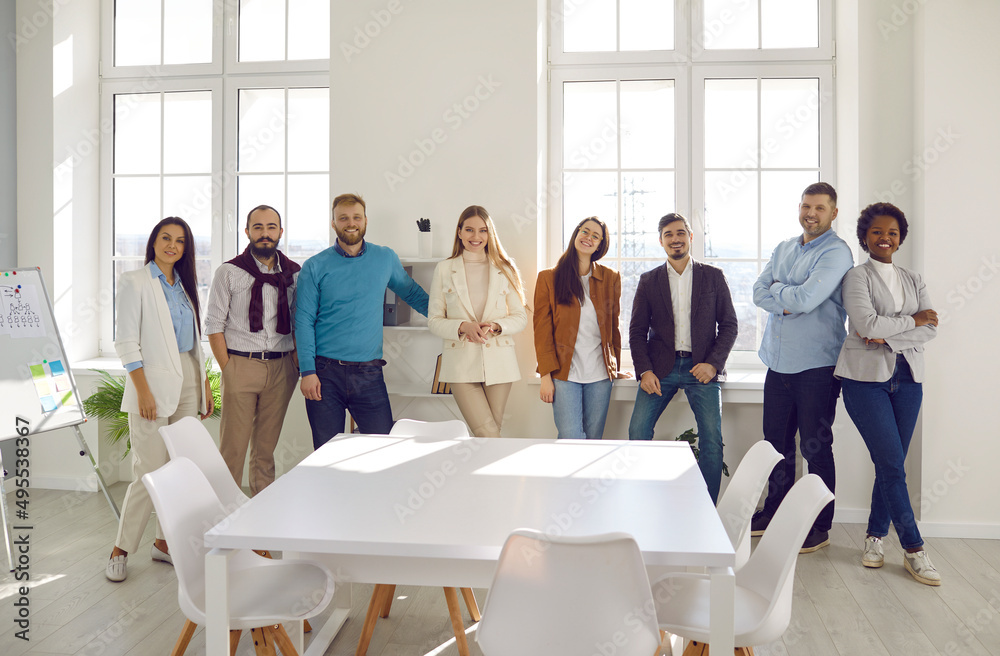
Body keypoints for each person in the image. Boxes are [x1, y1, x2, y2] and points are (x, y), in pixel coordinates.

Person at [835, 203, 940, 585]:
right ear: (865, 237)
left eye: (892, 233)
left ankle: (875, 538)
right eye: (877, 231)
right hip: (865, 381)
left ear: (900, 238)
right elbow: (866, 324)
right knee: (893, 465)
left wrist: (888, 335)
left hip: (909, 379)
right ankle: (914, 549)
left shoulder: (913, 279)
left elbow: (932, 327)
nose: (885, 238)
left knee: (890, 464)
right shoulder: (856, 277)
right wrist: (911, 321)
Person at [107, 217, 213, 582]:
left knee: (181, 470)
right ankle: (120, 549)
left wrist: (204, 382)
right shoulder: (135, 281)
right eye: (166, 238)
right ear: (153, 242)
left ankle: (163, 543)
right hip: (150, 386)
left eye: (180, 241)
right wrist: (143, 391)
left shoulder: (184, 285)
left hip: (188, 381)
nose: (172, 245)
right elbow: (126, 342)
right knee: (149, 472)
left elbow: (193, 342)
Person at [751, 182, 854, 552]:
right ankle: (773, 511)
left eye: (820, 208)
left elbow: (806, 300)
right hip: (777, 363)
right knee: (776, 446)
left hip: (817, 367)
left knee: (816, 448)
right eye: (806, 206)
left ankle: (819, 525)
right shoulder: (784, 248)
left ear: (833, 213)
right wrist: (786, 296)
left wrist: (779, 291)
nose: (811, 214)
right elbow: (757, 291)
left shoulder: (837, 252)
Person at [296, 193, 429, 448]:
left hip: (369, 373)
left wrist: (450, 319)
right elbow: (304, 321)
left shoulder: (385, 258)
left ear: (365, 220)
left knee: (380, 449)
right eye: (343, 218)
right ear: (333, 223)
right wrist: (308, 372)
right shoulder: (314, 266)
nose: (351, 223)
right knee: (326, 453)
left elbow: (412, 293)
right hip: (324, 374)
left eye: (356, 217)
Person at [627, 213, 738, 503]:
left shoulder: (713, 276)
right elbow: (637, 332)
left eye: (680, 233)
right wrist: (645, 371)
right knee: (638, 431)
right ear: (661, 241)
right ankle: (642, 501)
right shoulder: (649, 281)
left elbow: (729, 325)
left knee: (712, 439)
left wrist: (713, 364)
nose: (675, 239)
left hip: (701, 368)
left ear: (690, 237)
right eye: (668, 234)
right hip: (659, 370)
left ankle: (706, 509)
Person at [205, 205, 300, 496]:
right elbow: (214, 325)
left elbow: (301, 322)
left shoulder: (294, 274)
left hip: (282, 367)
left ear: (280, 232)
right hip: (241, 365)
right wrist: (228, 368)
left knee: (265, 450)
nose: (265, 233)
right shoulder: (229, 272)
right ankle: (225, 514)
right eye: (258, 227)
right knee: (232, 449)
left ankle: (261, 513)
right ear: (247, 232)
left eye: (271, 227)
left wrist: (295, 363)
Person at [427, 205, 528, 437]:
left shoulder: (505, 268)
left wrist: (497, 326)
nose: (476, 236)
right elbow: (434, 320)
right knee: (487, 432)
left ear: (490, 234)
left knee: (491, 432)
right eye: (469, 230)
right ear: (459, 232)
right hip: (460, 365)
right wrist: (463, 327)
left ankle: (486, 462)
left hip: (500, 363)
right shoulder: (444, 269)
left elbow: (519, 317)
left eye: (483, 230)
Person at [534, 217, 626, 439]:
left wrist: (614, 365)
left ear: (600, 245)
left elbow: (613, 327)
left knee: (593, 440)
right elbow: (542, 331)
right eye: (585, 231)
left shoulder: (611, 278)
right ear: (576, 233)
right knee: (571, 438)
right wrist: (545, 375)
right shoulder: (548, 278)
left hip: (600, 376)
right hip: (564, 374)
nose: (589, 238)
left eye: (596, 236)